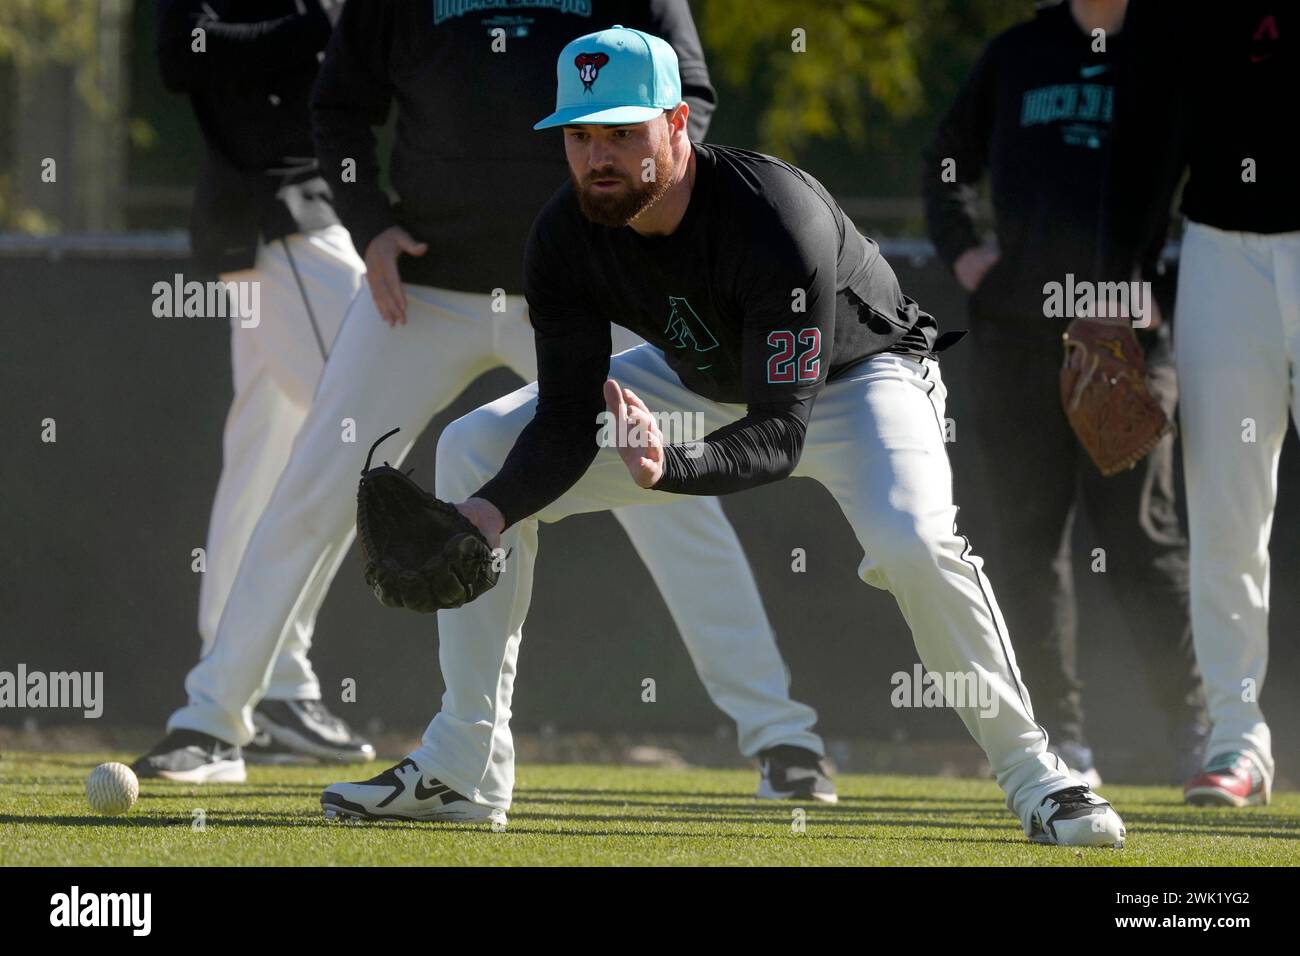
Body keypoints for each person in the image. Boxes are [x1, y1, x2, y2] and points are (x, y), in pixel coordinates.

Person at [322, 26, 1127, 848]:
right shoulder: (565, 234)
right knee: (476, 448)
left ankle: (1038, 776)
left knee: (913, 542)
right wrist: (487, 518)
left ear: (677, 125)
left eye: (622, 132)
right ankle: (462, 767)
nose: (598, 156)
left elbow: (780, 431)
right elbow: (565, 420)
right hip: (697, 376)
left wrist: (670, 465)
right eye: (579, 134)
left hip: (858, 383)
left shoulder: (774, 216)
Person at [138, 0, 835, 806]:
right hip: (424, 288)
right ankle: (211, 722)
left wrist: (639, 231)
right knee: (316, 484)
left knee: (675, 503)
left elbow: (690, 95)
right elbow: (340, 106)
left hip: (582, 281)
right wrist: (368, 225)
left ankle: (784, 740)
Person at [922, 0, 1205, 786]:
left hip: (1127, 343)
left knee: (1144, 544)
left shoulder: (1172, 52)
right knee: (1028, 544)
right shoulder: (1018, 52)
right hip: (1018, 337)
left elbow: (1222, 192)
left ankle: (1196, 733)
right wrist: (968, 255)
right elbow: (946, 158)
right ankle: (1056, 742)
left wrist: (1165, 291)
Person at [141, 0, 375, 781]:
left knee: (267, 459)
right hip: (280, 226)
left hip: (296, 222)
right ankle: (256, 687)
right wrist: (316, 26)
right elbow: (182, 54)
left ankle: (255, 682)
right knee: (366, 437)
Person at [1101, 0, 1299, 807]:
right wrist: (1122, 274)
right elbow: (1147, 121)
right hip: (1219, 248)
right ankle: (1236, 737)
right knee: (1224, 510)